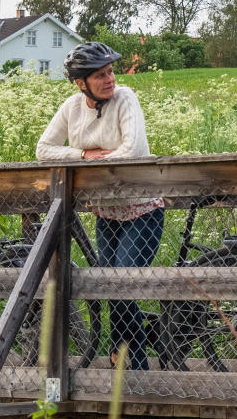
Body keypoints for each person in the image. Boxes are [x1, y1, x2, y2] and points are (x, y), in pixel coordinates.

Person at [36, 41, 164, 370]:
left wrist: (98, 163)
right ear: (82, 83)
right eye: (100, 75)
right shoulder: (72, 108)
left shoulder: (126, 98)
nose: (110, 79)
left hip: (142, 209)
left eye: (110, 72)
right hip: (106, 213)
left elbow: (132, 150)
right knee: (110, 287)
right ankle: (138, 345)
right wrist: (82, 155)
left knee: (120, 284)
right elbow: (44, 149)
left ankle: (132, 361)